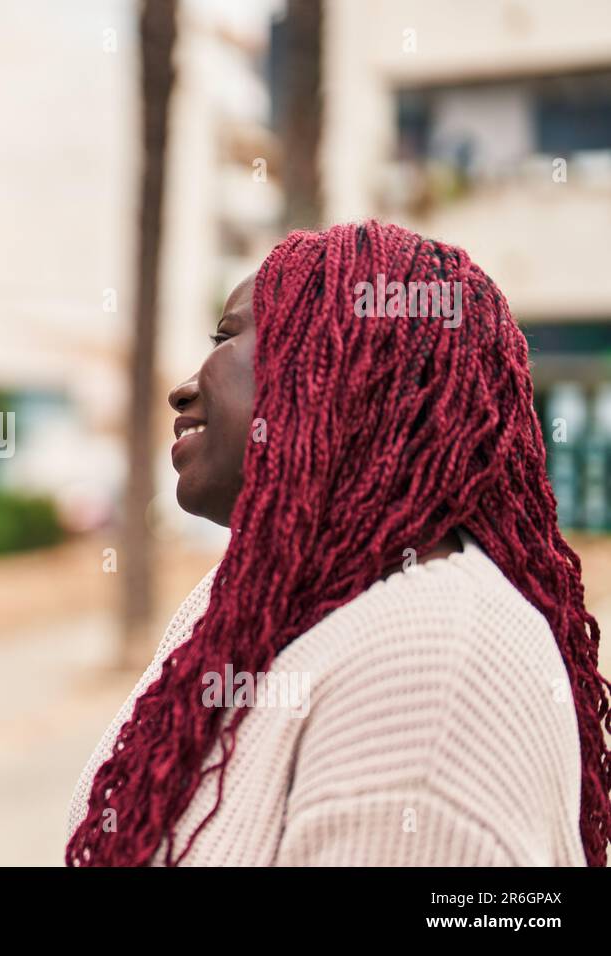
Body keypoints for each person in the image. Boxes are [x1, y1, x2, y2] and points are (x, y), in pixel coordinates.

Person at [66, 219, 610, 866]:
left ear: (356, 368)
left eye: (229, 335)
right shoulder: (256, 603)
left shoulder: (429, 661)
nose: (181, 388)